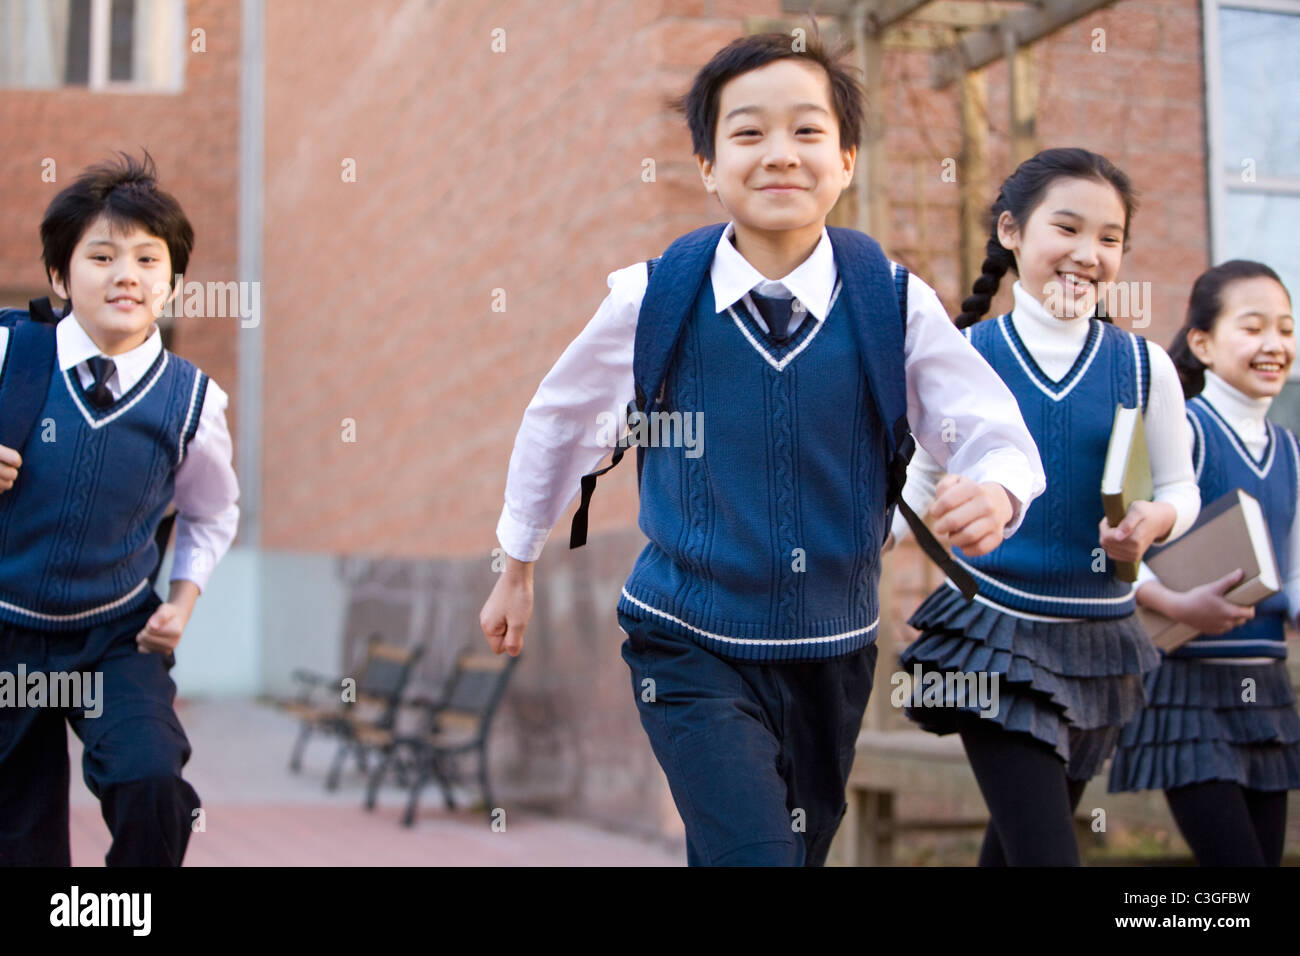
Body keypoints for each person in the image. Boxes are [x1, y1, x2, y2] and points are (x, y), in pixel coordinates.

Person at [479, 33, 1044, 866]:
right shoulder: (652, 298)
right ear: (707, 164)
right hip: (686, 638)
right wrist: (516, 562)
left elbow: (990, 428)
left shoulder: (892, 302)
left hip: (833, 649)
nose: (780, 153)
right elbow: (560, 423)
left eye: (808, 132)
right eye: (748, 133)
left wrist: (997, 490)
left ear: (847, 159)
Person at [894, 147, 1201, 866]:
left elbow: (1180, 489)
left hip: (1098, 642)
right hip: (993, 635)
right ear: (1011, 232)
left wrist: (1155, 522)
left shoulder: (1144, 364)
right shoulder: (962, 355)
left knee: (1016, 849)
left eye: (1109, 238)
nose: (1088, 254)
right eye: (1067, 229)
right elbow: (909, 491)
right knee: (1046, 854)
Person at [0, 152, 240, 866]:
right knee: (20, 839)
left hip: (113, 637)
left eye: (146, 258)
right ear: (58, 276)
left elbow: (210, 512)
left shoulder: (194, 403)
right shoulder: (11, 351)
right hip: (6, 633)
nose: (125, 274)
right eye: (100, 256)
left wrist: (184, 599)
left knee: (152, 783)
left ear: (172, 285)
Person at [1108, 260, 1300, 865]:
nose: (1274, 344)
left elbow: (1290, 571)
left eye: (1287, 329)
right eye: (1253, 327)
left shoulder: (1291, 450)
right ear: (1203, 343)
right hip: (1186, 690)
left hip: (1265, 689)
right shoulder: (1183, 432)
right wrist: (1174, 602)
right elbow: (1112, 543)